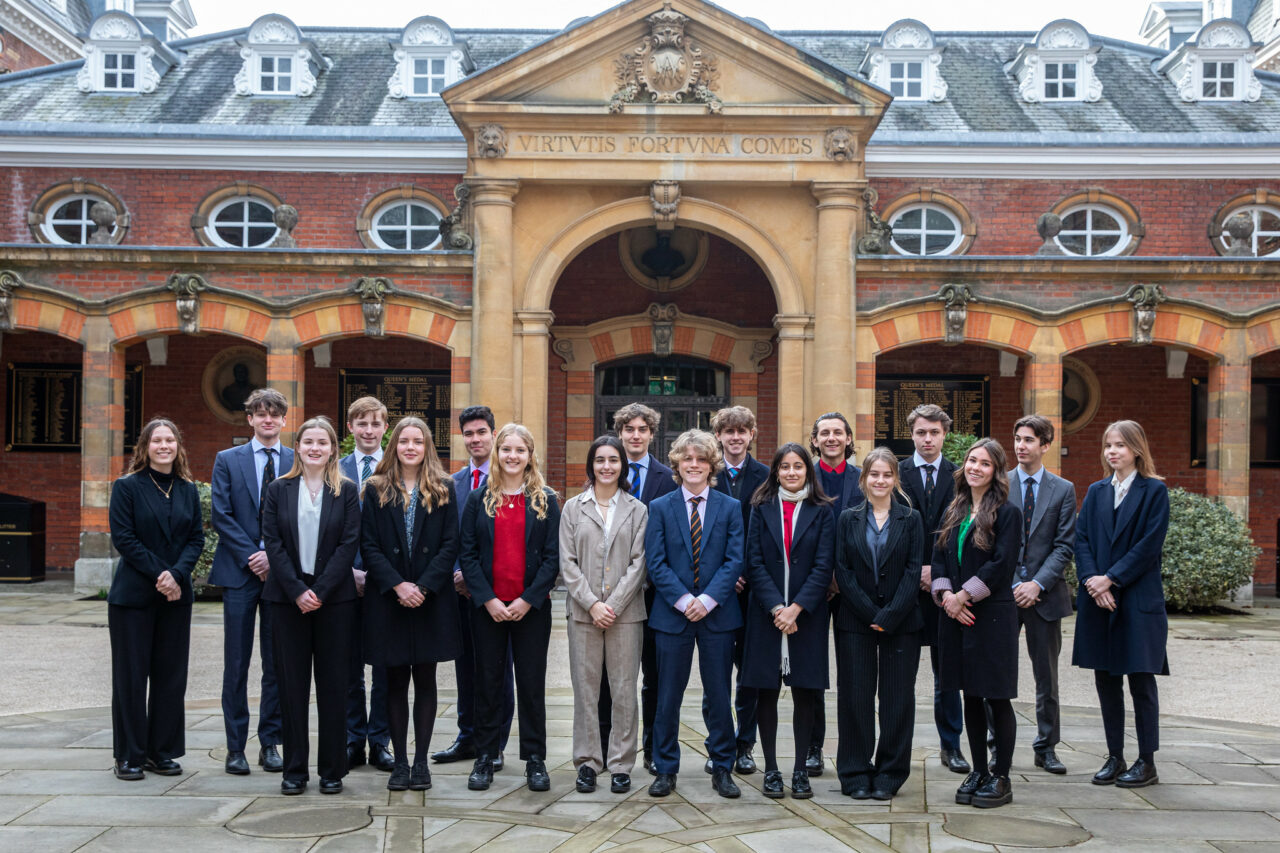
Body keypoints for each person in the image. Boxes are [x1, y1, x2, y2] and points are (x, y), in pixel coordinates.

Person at [261, 416, 362, 795]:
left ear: (334, 448)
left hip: (334, 600)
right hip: (287, 601)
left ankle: (332, 770)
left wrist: (318, 590)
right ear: (298, 447)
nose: (315, 448)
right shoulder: (278, 489)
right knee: (291, 687)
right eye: (308, 442)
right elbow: (272, 542)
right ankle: (295, 770)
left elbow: (348, 544)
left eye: (322, 442)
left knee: (334, 686)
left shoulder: (347, 491)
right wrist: (297, 591)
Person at [360, 417, 461, 792]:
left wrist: (423, 587)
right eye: (404, 440)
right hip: (389, 600)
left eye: (418, 441)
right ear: (394, 445)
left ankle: (421, 763)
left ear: (427, 447)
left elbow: (451, 543)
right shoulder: (375, 489)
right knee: (394, 681)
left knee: (426, 679)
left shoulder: (444, 487)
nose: (411, 447)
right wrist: (398, 585)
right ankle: (399, 761)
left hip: (430, 600)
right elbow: (367, 544)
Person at [460, 423, 561, 793]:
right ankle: (485, 757)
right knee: (487, 685)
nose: (513, 456)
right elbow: (468, 554)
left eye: (520, 450)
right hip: (487, 609)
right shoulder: (478, 499)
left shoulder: (546, 499)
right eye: (506, 450)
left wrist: (526, 600)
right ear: (497, 453)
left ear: (530, 455)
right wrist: (487, 599)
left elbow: (553, 558)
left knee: (531, 686)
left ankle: (535, 759)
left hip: (530, 610)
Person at [645, 429, 745, 800]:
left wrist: (708, 600)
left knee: (719, 695)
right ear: (676, 464)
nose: (694, 465)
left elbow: (735, 560)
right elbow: (655, 562)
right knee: (667, 695)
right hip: (673, 615)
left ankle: (723, 767)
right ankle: (665, 767)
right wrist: (685, 599)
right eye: (687, 459)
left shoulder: (729, 507)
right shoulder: (660, 507)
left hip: (718, 616)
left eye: (701, 459)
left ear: (711, 465)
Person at [1073, 420, 1170, 790]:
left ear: (1137, 449)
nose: (1113, 451)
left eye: (1120, 445)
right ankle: (1115, 756)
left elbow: (1149, 546)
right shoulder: (1097, 491)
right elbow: (1082, 540)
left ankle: (1147, 761)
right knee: (1106, 680)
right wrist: (1094, 583)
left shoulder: (1154, 492)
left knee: (1141, 681)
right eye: (1108, 445)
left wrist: (1110, 578)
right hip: (1100, 601)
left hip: (1136, 600)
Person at [107, 418, 204, 781]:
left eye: (170, 440)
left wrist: (176, 575)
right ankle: (129, 755)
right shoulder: (127, 487)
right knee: (131, 678)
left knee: (170, 677)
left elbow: (195, 539)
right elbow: (125, 539)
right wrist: (162, 576)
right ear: (145, 447)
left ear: (178, 446)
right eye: (157, 440)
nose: (164, 446)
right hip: (133, 597)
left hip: (176, 597)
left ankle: (160, 751)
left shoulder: (187, 490)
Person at [931, 437, 1022, 809]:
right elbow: (937, 559)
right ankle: (979, 769)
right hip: (956, 618)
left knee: (996, 697)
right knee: (969, 693)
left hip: (992, 617)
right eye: (971, 460)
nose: (975, 468)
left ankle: (1001, 776)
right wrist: (946, 599)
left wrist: (963, 596)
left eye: (984, 463)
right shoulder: (955, 508)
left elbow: (1001, 564)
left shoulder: (1008, 512)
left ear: (996, 471)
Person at [740, 443, 834, 799]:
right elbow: (754, 563)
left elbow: (824, 565)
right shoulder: (761, 506)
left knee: (804, 693)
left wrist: (796, 608)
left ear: (808, 471)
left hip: (806, 617)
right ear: (775, 471)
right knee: (766, 690)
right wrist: (777, 608)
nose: (791, 473)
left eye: (798, 467)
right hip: (766, 615)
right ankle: (772, 770)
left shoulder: (822, 510)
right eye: (785, 467)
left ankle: (799, 771)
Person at [209, 388, 292, 775]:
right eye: (261, 414)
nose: (268, 420)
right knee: (237, 662)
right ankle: (235, 747)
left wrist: (272, 556)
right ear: (250, 420)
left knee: (276, 661)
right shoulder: (228, 460)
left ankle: (270, 743)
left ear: (284, 420)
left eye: (275, 414)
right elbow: (221, 514)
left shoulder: (295, 458)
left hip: (280, 577)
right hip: (240, 572)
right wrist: (253, 555)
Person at [833, 447, 924, 801]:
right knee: (855, 698)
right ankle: (855, 771)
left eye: (887, 475)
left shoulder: (911, 519)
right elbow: (843, 570)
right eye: (874, 474)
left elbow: (914, 570)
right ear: (864, 479)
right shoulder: (848, 518)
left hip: (902, 624)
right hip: (855, 622)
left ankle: (890, 772)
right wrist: (871, 613)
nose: (880, 480)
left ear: (895, 479)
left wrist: (890, 615)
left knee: (897, 700)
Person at [560, 435, 649, 795]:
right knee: (586, 689)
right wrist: (592, 603)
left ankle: (621, 764)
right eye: (600, 460)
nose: (607, 466)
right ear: (591, 465)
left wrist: (612, 606)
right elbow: (567, 563)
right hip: (583, 615)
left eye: (614, 460)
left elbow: (639, 563)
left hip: (625, 616)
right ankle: (587, 762)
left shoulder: (638, 510)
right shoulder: (572, 508)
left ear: (622, 466)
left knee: (625, 689)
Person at [432, 405, 515, 771]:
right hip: (459, 594)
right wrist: (456, 573)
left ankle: (494, 743)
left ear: (493, 435)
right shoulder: (453, 483)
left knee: (498, 669)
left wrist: (476, 576)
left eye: (482, 432)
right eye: (468, 434)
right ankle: (468, 737)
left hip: (497, 595)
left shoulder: (509, 480)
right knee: (465, 668)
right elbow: (448, 537)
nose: (475, 439)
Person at [999, 414, 1076, 775]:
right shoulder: (1000, 483)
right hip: (1004, 594)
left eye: (1029, 439)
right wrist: (1015, 581)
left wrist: (1036, 584)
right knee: (995, 669)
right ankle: (996, 737)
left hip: (1045, 597)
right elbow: (995, 539)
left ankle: (1046, 746)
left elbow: (1063, 547)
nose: (1020, 445)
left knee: (1047, 677)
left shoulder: (1063, 489)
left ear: (1045, 445)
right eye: (1017, 438)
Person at [898, 403, 968, 775]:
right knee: (902, 675)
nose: (928, 439)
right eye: (921, 432)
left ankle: (951, 745)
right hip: (905, 591)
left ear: (944, 434)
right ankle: (898, 746)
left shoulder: (960, 475)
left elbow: (959, 531)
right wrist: (916, 570)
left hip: (945, 589)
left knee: (947, 675)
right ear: (912, 434)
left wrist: (935, 572)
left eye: (934, 432)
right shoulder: (895, 473)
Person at [612, 402, 677, 774]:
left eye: (642, 429)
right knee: (614, 679)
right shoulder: (606, 472)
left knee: (654, 678)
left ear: (651, 434)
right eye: (628, 429)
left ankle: (653, 747)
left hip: (655, 595)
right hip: (613, 594)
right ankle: (611, 746)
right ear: (620, 433)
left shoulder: (668, 478)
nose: (635, 436)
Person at [710, 405, 769, 775]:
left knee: (750, 674)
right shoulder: (705, 472)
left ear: (751, 435)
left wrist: (744, 572)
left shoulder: (766, 477)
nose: (735, 437)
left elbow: (767, 532)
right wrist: (723, 575)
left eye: (742, 431)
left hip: (753, 592)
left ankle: (745, 744)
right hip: (714, 590)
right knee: (715, 675)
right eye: (728, 431)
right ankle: (717, 743)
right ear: (718, 435)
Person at [805, 411, 865, 776]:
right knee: (813, 670)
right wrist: (822, 577)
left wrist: (843, 577)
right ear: (814, 440)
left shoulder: (863, 478)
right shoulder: (801, 475)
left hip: (853, 588)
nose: (830, 438)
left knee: (853, 672)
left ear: (848, 439)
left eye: (837, 433)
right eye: (823, 432)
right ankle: (813, 745)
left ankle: (854, 748)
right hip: (813, 587)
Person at [340, 396, 394, 773]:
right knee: (347, 664)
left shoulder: (397, 468)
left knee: (385, 665)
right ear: (350, 428)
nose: (369, 430)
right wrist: (348, 571)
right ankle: (351, 739)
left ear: (385, 427)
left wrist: (379, 574)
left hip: (383, 580)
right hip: (343, 580)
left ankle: (381, 742)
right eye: (362, 424)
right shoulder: (334, 467)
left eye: (375, 423)